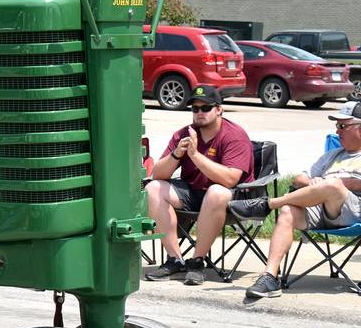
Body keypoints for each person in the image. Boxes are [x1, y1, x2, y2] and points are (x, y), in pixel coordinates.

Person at [229, 101, 361, 301]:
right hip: (321, 208)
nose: (337, 131)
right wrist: (313, 183)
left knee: (333, 185)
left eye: (342, 126)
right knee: (288, 212)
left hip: (354, 212)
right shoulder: (331, 156)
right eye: (336, 126)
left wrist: (331, 183)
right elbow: (298, 179)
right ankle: (270, 277)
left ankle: (267, 204)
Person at [144, 85, 255, 285]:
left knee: (216, 192)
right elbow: (158, 174)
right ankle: (175, 260)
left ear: (219, 109)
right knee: (153, 188)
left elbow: (230, 179)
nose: (199, 113)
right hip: (193, 193)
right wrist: (177, 153)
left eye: (206, 108)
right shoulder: (184, 134)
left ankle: (196, 262)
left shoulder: (234, 135)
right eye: (195, 109)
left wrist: (195, 155)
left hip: (232, 199)